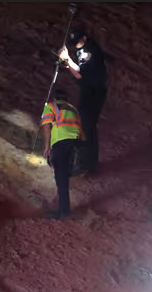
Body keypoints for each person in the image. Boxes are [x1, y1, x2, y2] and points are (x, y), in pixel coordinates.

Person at [58, 25, 107, 176]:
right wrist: (69, 62)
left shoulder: (88, 51)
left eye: (78, 43)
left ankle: (82, 165)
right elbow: (81, 69)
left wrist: (67, 60)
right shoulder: (85, 47)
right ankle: (90, 166)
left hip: (93, 93)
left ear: (84, 38)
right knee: (88, 128)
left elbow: (80, 76)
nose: (77, 46)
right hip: (92, 90)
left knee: (83, 127)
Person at [40, 89, 84, 219]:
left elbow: (46, 127)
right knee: (63, 174)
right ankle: (63, 206)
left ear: (54, 99)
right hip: (74, 142)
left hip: (61, 141)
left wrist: (47, 146)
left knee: (61, 177)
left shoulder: (50, 106)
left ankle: (63, 212)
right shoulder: (72, 108)